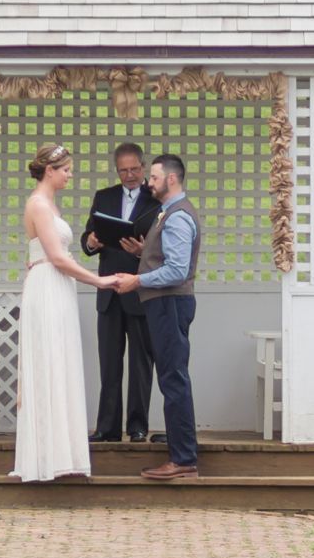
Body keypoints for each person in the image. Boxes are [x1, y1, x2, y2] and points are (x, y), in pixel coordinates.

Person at [14, 143, 117, 481]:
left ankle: (62, 453)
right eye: (66, 170)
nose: (70, 175)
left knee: (61, 360)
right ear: (50, 171)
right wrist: (99, 280)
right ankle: (45, 457)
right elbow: (57, 258)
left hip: (57, 286)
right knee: (49, 360)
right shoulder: (38, 204)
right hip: (47, 286)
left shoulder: (50, 205)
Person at [110, 152, 199, 480]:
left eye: (155, 177)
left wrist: (137, 280)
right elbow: (166, 257)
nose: (149, 182)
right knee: (172, 377)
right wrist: (143, 252)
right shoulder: (170, 213)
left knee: (173, 378)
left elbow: (176, 270)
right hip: (165, 304)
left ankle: (183, 458)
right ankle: (182, 452)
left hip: (169, 304)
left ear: (171, 179)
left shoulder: (177, 217)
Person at [80, 141, 159, 442]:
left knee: (141, 364)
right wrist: (91, 242)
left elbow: (163, 248)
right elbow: (87, 239)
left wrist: (143, 251)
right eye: (123, 170)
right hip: (109, 292)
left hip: (140, 290)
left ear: (143, 166)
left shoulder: (156, 198)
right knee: (109, 364)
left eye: (134, 169)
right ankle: (107, 427)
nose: (129, 175)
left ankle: (137, 427)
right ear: (117, 170)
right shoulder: (104, 197)